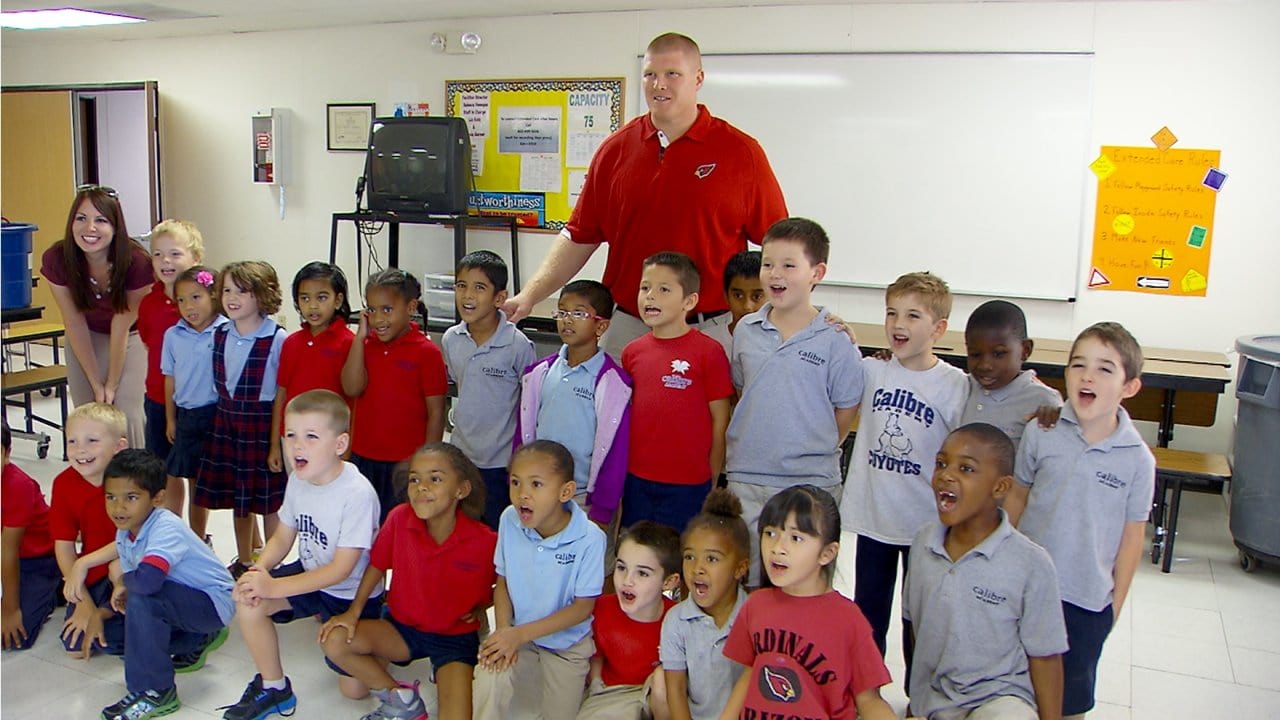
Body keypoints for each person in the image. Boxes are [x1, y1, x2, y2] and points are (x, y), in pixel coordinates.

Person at [502, 32, 787, 358]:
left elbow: (779, 247)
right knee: (616, 410)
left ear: (698, 79)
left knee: (712, 412)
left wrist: (797, 316)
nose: (658, 84)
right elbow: (579, 236)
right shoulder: (615, 150)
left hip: (710, 329)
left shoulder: (741, 152)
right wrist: (529, 296)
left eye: (672, 74)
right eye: (650, 74)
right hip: (629, 327)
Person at [1005, 322, 1155, 720]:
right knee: (1015, 689)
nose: (1087, 376)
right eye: (1078, 365)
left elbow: (1131, 538)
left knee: (1068, 702)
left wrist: (1113, 607)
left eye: (1106, 369)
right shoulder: (1042, 429)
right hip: (1029, 587)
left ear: (1129, 387)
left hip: (1086, 601)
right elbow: (1018, 496)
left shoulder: (1138, 459)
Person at [220, 390, 383, 720]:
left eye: (311, 437)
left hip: (350, 595)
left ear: (339, 445)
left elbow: (340, 569)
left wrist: (276, 588)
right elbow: (282, 536)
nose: (297, 446)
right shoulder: (298, 479)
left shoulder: (357, 493)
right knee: (249, 600)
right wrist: (259, 570)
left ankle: (380, 638)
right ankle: (275, 687)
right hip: (311, 577)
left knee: (354, 691)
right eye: (291, 435)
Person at [725, 218, 864, 585]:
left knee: (804, 586)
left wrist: (808, 448)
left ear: (817, 272)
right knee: (750, 581)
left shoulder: (836, 339)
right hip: (748, 477)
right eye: (768, 264)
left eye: (789, 265)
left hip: (810, 481)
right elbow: (743, 391)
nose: (775, 274)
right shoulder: (746, 331)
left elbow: (845, 410)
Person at [839, 271, 969, 661]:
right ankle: (867, 693)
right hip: (874, 521)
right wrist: (836, 328)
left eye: (913, 316)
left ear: (939, 328)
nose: (898, 324)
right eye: (892, 313)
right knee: (868, 615)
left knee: (921, 619)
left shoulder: (955, 385)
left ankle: (920, 696)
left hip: (926, 526)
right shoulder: (872, 371)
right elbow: (838, 359)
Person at [321, 442, 497, 720]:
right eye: (415, 479)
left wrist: (483, 606)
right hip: (402, 629)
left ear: (461, 490)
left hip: (454, 640)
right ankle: (401, 700)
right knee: (335, 640)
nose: (421, 487)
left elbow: (505, 586)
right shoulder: (400, 518)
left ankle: (440, 672)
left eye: (435, 479)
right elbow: (377, 566)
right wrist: (353, 613)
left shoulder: (486, 541)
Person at [905, 424, 1066, 720]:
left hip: (1000, 700)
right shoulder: (922, 544)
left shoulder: (1031, 562)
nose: (946, 475)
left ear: (1000, 487)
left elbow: (1046, 657)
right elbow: (919, 629)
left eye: (966, 469)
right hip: (935, 700)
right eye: (941, 463)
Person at [68, 450, 233, 720]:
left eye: (131, 498)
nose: (118, 507)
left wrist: (122, 581)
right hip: (178, 601)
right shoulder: (127, 530)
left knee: (144, 598)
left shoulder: (165, 527)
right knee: (108, 637)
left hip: (212, 605)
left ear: (157, 498)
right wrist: (100, 613)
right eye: (111, 497)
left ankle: (156, 691)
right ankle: (196, 641)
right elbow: (135, 589)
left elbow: (146, 582)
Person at [720, 486, 895, 720]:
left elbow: (870, 700)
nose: (778, 548)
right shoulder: (756, 604)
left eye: (796, 538)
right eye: (770, 533)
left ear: (827, 553)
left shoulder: (848, 619)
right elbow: (752, 671)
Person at [478, 440, 607, 720]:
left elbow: (583, 607)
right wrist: (504, 632)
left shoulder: (590, 538)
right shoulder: (509, 519)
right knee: (488, 679)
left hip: (566, 647)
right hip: (518, 635)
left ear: (566, 492)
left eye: (536, 484)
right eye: (515, 482)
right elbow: (503, 583)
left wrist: (518, 635)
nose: (522, 494)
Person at [621, 252, 733, 533]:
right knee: (640, 552)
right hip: (637, 478)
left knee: (678, 556)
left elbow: (720, 422)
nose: (650, 297)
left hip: (689, 483)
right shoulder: (632, 352)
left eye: (664, 290)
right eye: (645, 288)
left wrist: (712, 477)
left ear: (689, 301)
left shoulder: (709, 352)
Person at [40, 185, 153, 447]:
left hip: (132, 336)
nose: (89, 228)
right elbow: (74, 322)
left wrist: (111, 384)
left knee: (126, 409)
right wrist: (95, 382)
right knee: (89, 411)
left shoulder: (137, 263)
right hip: (86, 335)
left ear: (115, 227)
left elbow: (121, 325)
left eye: (100, 220)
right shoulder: (57, 259)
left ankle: (134, 478)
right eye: (81, 218)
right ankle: (95, 483)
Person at [194, 261, 288, 578]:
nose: (232, 298)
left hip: (260, 425)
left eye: (242, 291)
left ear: (262, 295)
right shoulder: (219, 333)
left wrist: (276, 443)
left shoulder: (276, 338)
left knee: (268, 500)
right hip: (226, 422)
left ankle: (272, 563)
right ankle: (245, 560)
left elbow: (280, 395)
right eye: (227, 290)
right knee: (240, 498)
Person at [514, 280, 631, 526]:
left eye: (579, 313)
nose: (567, 320)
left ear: (601, 325)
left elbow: (616, 451)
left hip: (582, 499)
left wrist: (602, 508)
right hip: (538, 491)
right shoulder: (537, 373)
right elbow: (523, 433)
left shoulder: (613, 383)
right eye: (562, 312)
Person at [343, 268, 448, 521]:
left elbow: (436, 413)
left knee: (398, 526)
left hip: (404, 462)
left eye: (387, 310)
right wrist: (359, 340)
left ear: (410, 307)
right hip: (362, 456)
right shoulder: (365, 348)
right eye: (372, 310)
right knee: (362, 525)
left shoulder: (427, 352)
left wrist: (426, 462)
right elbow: (351, 388)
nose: (378, 319)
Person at [442, 250, 536, 528]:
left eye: (479, 288)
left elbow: (529, 405)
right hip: (460, 458)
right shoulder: (451, 339)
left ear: (499, 298)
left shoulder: (518, 346)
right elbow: (462, 386)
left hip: (500, 464)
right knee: (460, 529)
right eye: (461, 286)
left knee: (495, 533)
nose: (467, 295)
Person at [656, 489, 751, 720]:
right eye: (689, 556)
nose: (697, 568)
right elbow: (676, 691)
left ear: (740, 568)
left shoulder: (754, 616)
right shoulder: (676, 620)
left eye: (712, 559)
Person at [577, 520, 681, 720]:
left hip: (654, 697)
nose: (627, 581)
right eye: (621, 568)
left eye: (642, 573)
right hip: (611, 696)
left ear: (668, 582)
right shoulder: (601, 608)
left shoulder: (677, 619)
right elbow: (596, 654)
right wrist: (597, 681)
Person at [136, 219, 204, 515]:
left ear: (195, 259)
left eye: (175, 254)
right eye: (158, 254)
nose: (166, 261)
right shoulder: (148, 303)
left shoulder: (204, 303)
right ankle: (171, 531)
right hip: (157, 399)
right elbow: (150, 344)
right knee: (165, 472)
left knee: (197, 474)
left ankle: (199, 536)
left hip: (196, 404)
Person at [52, 402, 128, 660]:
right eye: (72, 441)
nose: (80, 450)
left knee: (117, 637)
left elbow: (136, 540)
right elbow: (63, 547)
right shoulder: (63, 484)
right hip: (92, 574)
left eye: (92, 440)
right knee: (76, 648)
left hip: (132, 567)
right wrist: (83, 603)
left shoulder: (131, 479)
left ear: (119, 447)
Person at [161, 265, 226, 542]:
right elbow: (169, 379)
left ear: (213, 295)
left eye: (196, 297)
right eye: (181, 300)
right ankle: (197, 539)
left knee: (228, 482)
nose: (188, 306)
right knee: (193, 480)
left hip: (218, 415)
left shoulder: (226, 330)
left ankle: (253, 540)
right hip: (187, 416)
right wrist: (171, 418)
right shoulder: (173, 335)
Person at [269, 261, 354, 474]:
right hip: (293, 438)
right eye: (304, 298)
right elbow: (282, 394)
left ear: (338, 300)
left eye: (322, 297)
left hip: (330, 438)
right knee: (299, 493)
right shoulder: (291, 343)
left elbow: (354, 399)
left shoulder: (349, 343)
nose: (312, 306)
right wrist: (274, 445)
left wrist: (348, 444)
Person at [961, 300, 1062, 443]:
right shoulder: (962, 387)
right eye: (975, 354)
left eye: (998, 354)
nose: (985, 365)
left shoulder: (1044, 401)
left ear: (1025, 351)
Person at [1, 419, 60, 650]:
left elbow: (9, 551)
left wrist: (10, 608)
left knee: (13, 636)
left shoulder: (18, 486)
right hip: (7, 556)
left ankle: (53, 593)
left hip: (39, 559)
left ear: (7, 453)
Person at [722, 250, 764, 340]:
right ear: (726, 296)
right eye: (738, 296)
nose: (747, 306)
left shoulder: (788, 343)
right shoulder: (706, 342)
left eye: (757, 296)